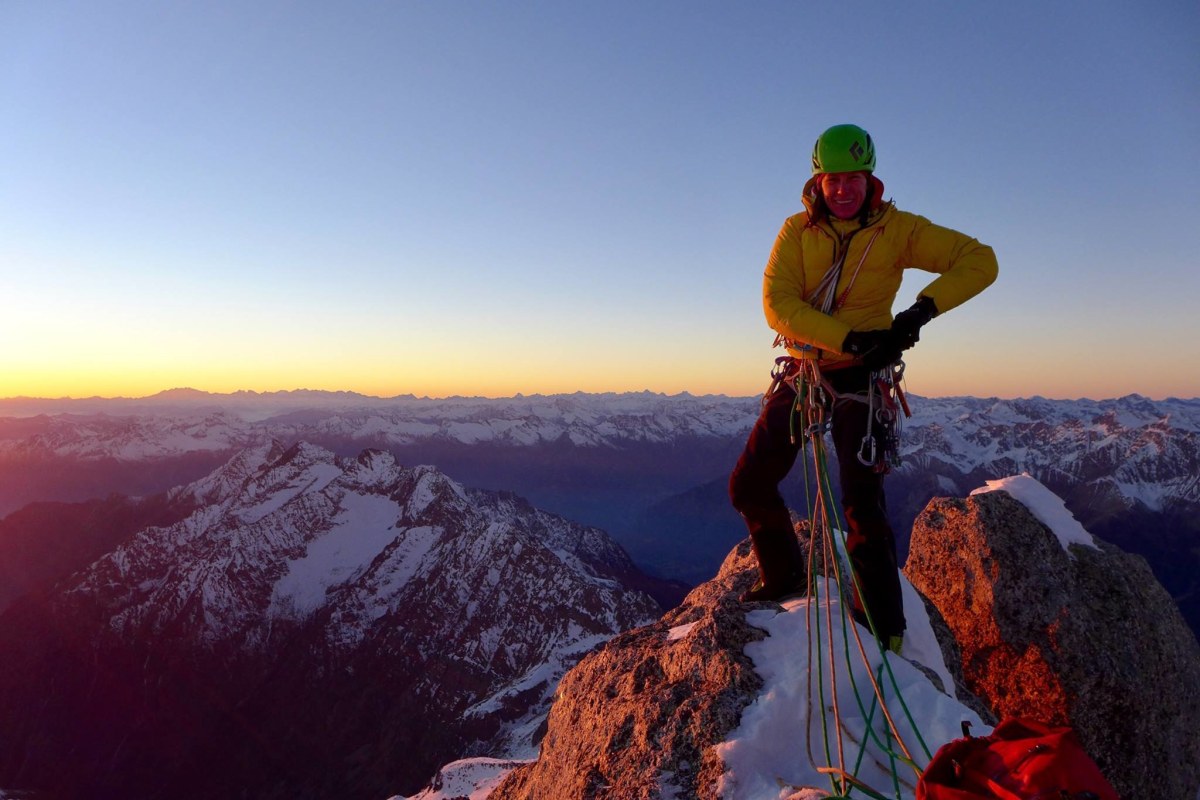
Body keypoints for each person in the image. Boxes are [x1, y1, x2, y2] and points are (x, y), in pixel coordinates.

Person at [728, 123, 998, 651]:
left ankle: (883, 627)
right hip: (813, 368)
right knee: (750, 483)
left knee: (861, 503)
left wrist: (918, 313)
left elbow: (980, 259)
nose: (845, 189)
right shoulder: (795, 232)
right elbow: (777, 306)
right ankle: (783, 577)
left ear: (870, 179)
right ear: (818, 181)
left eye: (854, 178)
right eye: (835, 179)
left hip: (862, 378)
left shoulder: (898, 229)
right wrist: (852, 339)